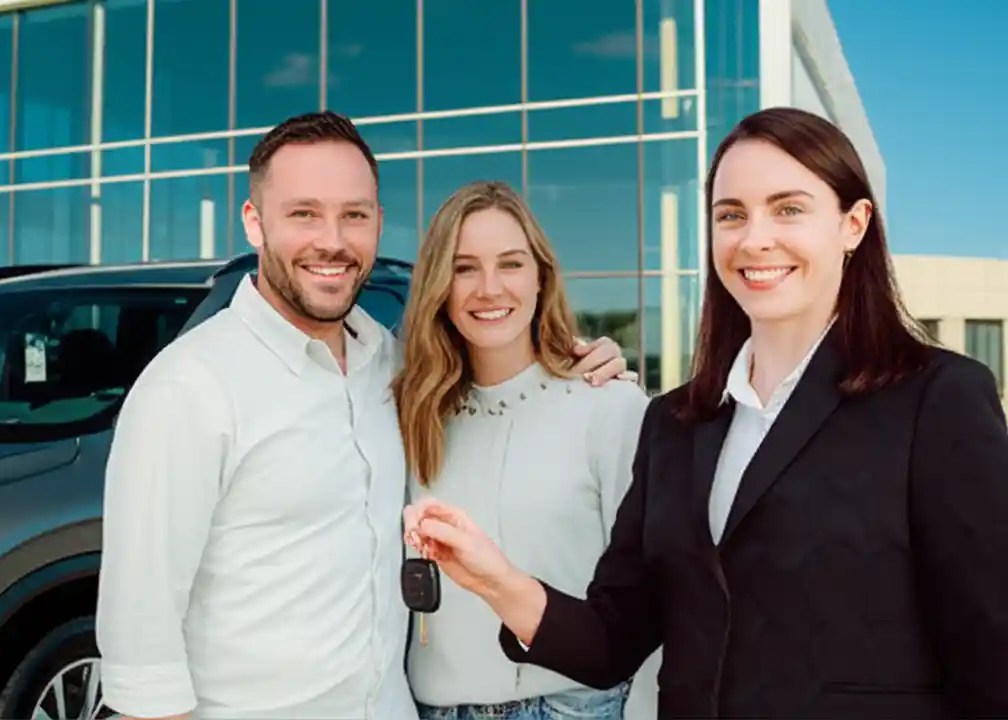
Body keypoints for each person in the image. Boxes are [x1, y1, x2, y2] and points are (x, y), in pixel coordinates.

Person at [403, 106, 1008, 719]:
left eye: (788, 208)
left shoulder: (937, 400)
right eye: (731, 215)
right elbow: (615, 640)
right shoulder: (676, 425)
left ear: (853, 225)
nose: (755, 238)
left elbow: (991, 658)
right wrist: (494, 580)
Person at [95, 111, 631, 720]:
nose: (333, 240)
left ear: (378, 223)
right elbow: (141, 640)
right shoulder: (190, 385)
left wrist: (580, 360)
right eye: (303, 213)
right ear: (254, 222)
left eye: (354, 214)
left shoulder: (392, 366)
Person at [392, 180, 659, 720]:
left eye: (511, 264)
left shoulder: (609, 406)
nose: (489, 288)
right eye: (464, 267)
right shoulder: (411, 412)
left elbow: (653, 599)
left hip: (575, 708)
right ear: (439, 286)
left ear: (541, 277)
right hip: (434, 708)